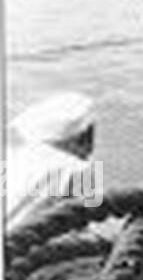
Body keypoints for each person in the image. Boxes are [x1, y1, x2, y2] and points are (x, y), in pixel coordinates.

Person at [5, 92, 98, 229]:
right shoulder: (79, 169)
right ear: (80, 138)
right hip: (28, 246)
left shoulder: (11, 157)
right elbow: (82, 226)